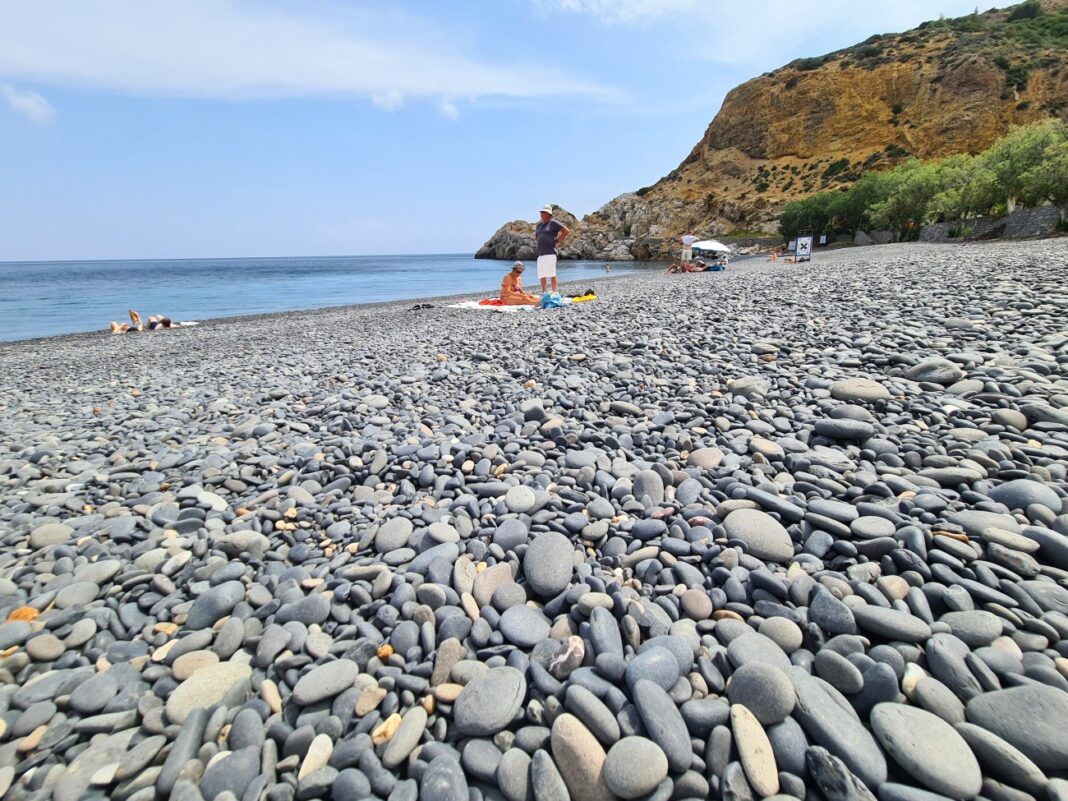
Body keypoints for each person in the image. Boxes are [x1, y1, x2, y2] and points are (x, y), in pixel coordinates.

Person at [535, 204, 569, 294]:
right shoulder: (538, 226)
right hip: (540, 254)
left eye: (543, 212)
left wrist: (558, 240)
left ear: (548, 214)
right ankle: (545, 293)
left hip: (550, 253)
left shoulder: (553, 223)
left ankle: (554, 292)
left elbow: (566, 231)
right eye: (541, 212)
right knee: (542, 275)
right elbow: (537, 237)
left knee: (552, 274)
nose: (541, 214)